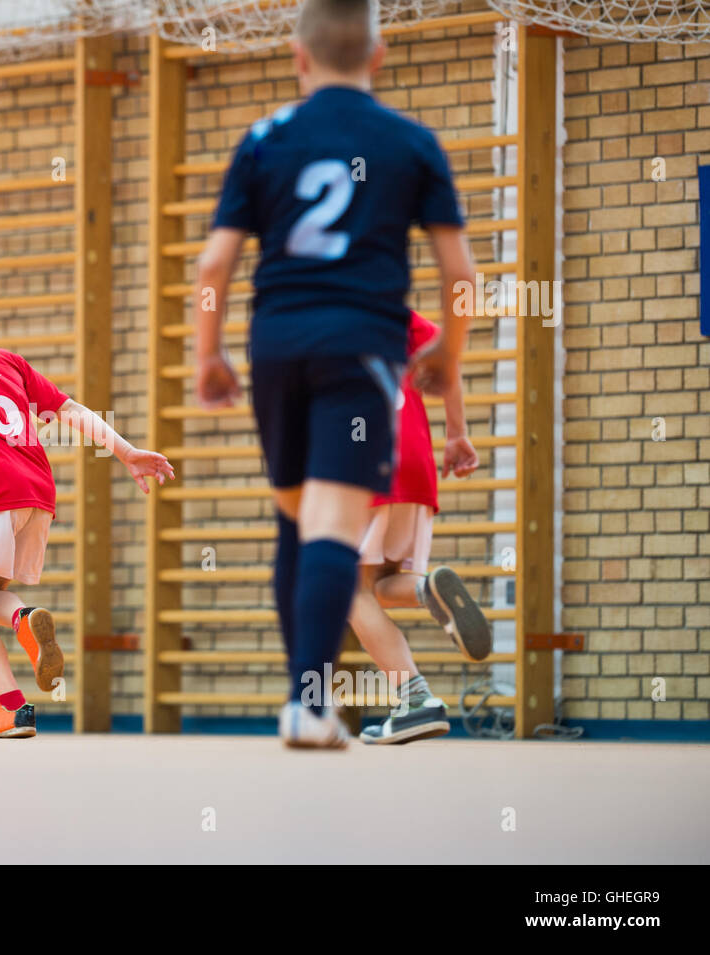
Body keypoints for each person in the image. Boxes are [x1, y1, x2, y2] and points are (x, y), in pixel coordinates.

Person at [193, 0, 476, 747]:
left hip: (275, 347)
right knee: (330, 527)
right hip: (360, 352)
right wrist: (448, 350)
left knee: (297, 516)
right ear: (378, 57)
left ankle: (305, 698)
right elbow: (460, 273)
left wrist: (208, 353)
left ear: (298, 56)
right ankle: (309, 706)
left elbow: (213, 264)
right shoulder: (412, 143)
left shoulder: (264, 139)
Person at [0, 265, 175, 738]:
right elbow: (69, 409)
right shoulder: (9, 361)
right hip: (37, 493)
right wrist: (127, 451)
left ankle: (12, 708)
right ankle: (23, 618)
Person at [349, 310, 492, 744]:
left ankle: (414, 698)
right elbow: (447, 358)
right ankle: (424, 589)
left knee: (345, 591)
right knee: (378, 584)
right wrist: (456, 434)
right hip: (414, 463)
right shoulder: (396, 311)